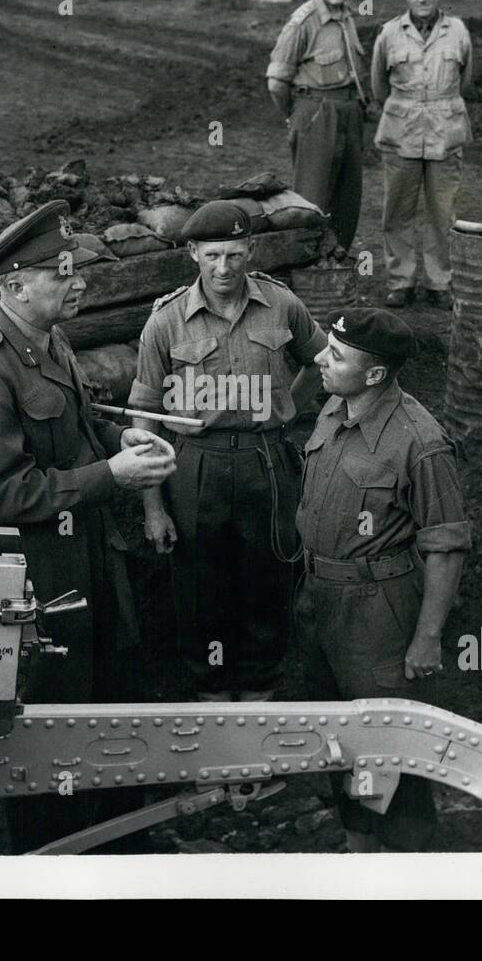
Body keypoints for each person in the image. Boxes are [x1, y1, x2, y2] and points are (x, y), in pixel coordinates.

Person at [0, 199, 176, 850]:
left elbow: (71, 425)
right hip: (36, 584)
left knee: (109, 699)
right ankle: (53, 860)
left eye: (74, 269)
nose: (78, 283)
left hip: (91, 562)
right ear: (14, 286)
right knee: (46, 724)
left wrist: (116, 434)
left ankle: (122, 847)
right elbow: (3, 495)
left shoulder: (49, 338)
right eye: (61, 273)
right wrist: (113, 476)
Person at [128, 200, 327, 702]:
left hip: (268, 461)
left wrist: (287, 407)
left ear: (251, 251)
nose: (224, 268)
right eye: (213, 255)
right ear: (193, 253)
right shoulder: (167, 321)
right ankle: (211, 695)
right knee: (200, 589)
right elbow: (144, 416)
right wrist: (153, 507)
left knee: (270, 577)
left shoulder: (283, 305)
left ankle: (261, 692)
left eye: (235, 254)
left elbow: (321, 361)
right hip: (197, 466)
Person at [296, 308, 470, 852]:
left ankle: (404, 860)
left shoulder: (420, 440)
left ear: (375, 375)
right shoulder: (334, 406)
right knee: (339, 735)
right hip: (321, 601)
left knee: (392, 743)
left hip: (380, 611)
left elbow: (446, 546)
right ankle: (359, 846)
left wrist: (425, 638)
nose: (321, 359)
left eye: (336, 356)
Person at [371, 0, 473, 311]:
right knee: (397, 210)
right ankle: (400, 281)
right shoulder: (389, 33)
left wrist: (442, 107)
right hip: (402, 132)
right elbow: (378, 86)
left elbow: (467, 78)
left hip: (446, 131)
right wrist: (409, 108)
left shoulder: (458, 30)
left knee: (442, 212)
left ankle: (438, 281)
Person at [266, 0, 367, 253]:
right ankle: (306, 265)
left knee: (347, 196)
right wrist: (297, 115)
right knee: (313, 197)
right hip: (316, 112)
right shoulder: (302, 22)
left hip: (349, 110)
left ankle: (336, 261)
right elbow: (276, 83)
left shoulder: (346, 15)